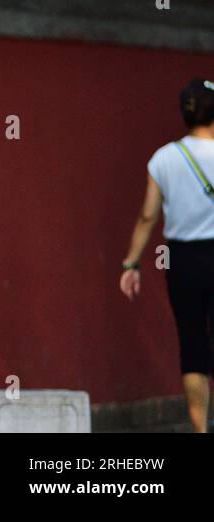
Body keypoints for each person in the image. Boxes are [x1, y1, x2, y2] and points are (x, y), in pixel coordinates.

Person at [120, 77, 214, 433]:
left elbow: (148, 215)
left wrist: (131, 262)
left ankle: (200, 430)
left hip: (183, 260)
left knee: (193, 344)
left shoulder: (164, 157)